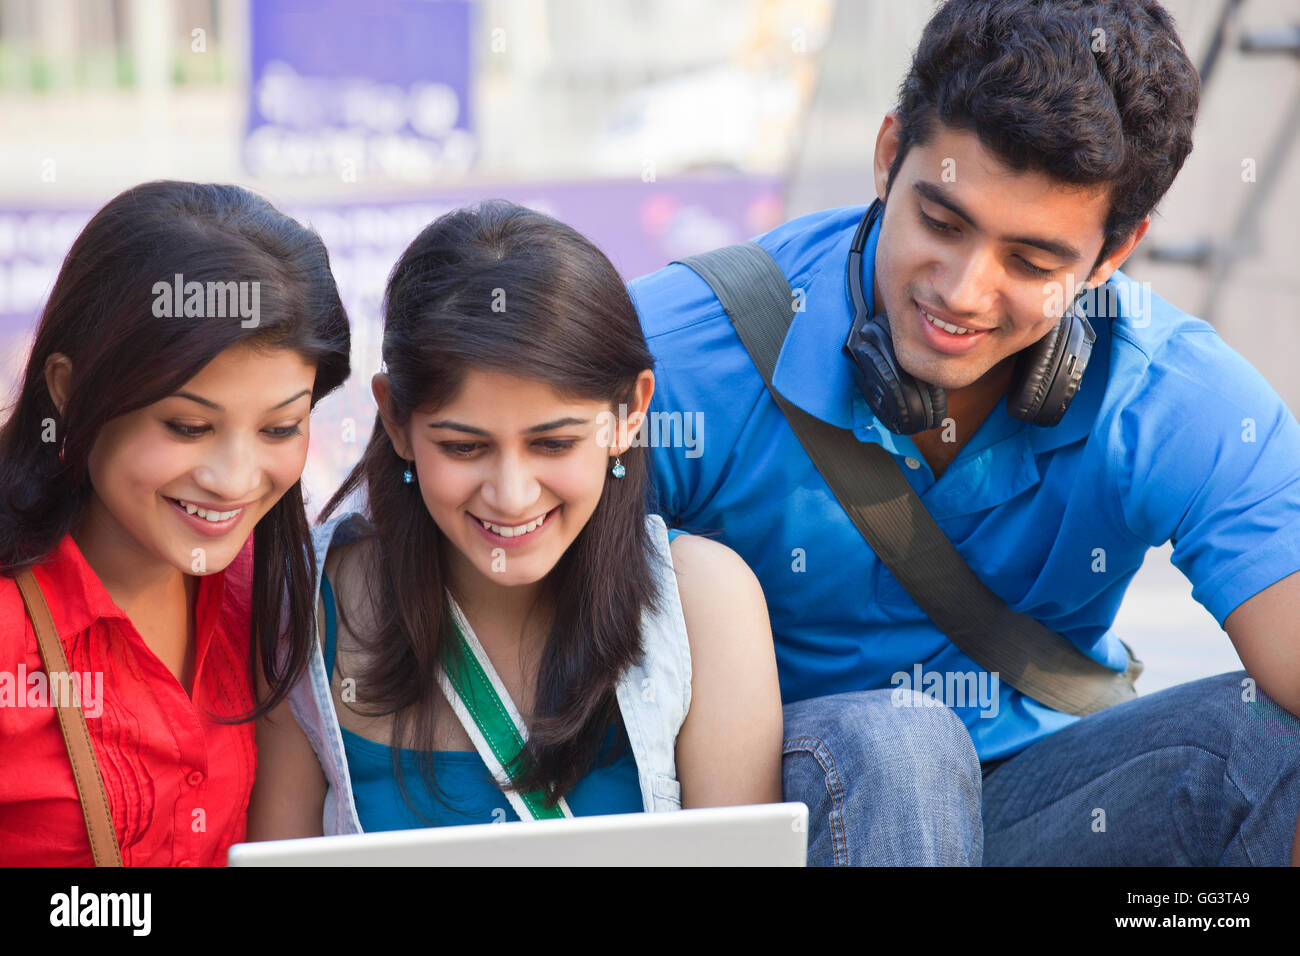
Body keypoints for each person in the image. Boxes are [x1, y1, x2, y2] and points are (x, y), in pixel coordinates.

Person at [629, 0, 1300, 865]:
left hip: (1041, 809)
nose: (963, 291)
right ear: (886, 156)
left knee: (1264, 752)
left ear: (1114, 255)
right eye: (941, 223)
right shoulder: (676, 354)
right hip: (783, 812)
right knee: (905, 745)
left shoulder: (1177, 396)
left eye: (1031, 261)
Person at [247, 199, 782, 836]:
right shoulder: (305, 607)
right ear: (394, 420)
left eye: (553, 444)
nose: (511, 495)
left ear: (630, 413)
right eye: (464, 447)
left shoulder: (705, 604)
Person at [0, 181, 351, 866]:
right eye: (188, 426)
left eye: (281, 427)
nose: (234, 478)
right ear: (70, 392)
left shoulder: (276, 600)